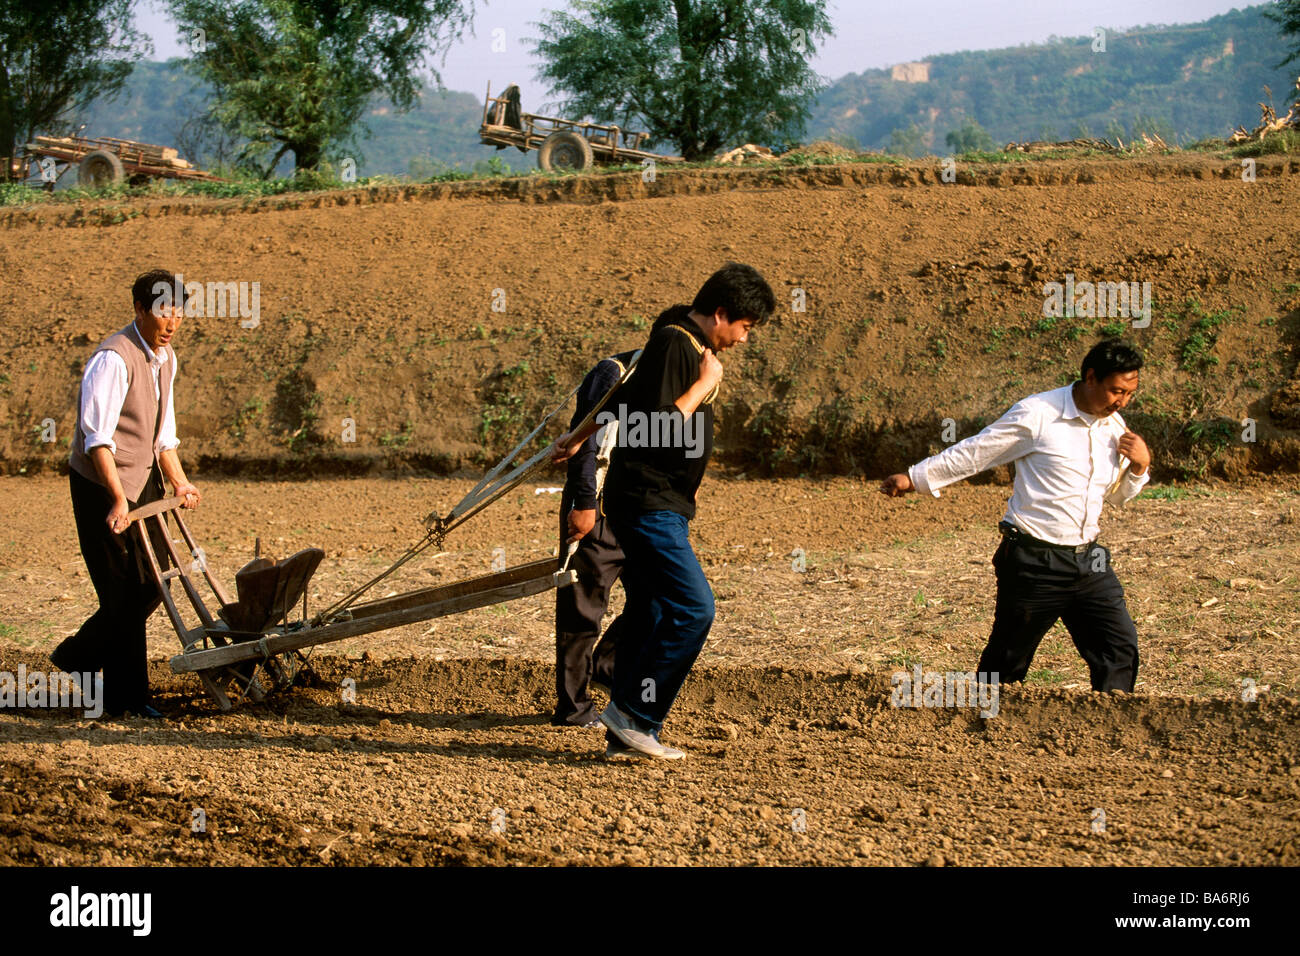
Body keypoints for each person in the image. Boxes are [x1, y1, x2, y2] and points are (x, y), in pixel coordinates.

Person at [552, 263, 776, 760]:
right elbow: (656, 428)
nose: (742, 339)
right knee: (694, 608)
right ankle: (635, 716)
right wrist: (703, 385)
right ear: (721, 314)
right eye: (744, 327)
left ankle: (624, 734)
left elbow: (620, 403)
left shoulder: (673, 341)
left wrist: (578, 437)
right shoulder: (680, 346)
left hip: (654, 504)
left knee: (653, 610)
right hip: (651, 505)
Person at [880, 340, 1152, 693]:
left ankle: (1111, 728)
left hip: (1089, 562)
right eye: (1117, 391)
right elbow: (978, 452)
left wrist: (1140, 467)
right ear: (1090, 377)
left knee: (1118, 649)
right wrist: (914, 478)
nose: (1122, 401)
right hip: (1034, 561)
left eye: (1130, 394)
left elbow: (1115, 497)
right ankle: (980, 724)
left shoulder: (1114, 427)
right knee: (1008, 660)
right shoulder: (1038, 413)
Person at [52, 269, 202, 718]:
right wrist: (118, 498)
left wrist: (179, 480)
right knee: (120, 593)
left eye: (177, 311)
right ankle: (127, 699)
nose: (171, 321)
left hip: (143, 480)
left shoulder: (166, 358)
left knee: (152, 585)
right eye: (161, 311)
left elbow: (163, 436)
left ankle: (78, 657)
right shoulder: (113, 359)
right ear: (139, 310)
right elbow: (97, 439)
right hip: (102, 485)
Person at [552, 348, 638, 728]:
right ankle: (574, 709)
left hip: (641, 509)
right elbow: (585, 441)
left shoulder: (684, 377)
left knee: (659, 595)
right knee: (582, 608)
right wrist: (585, 503)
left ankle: (606, 666)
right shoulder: (613, 373)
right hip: (598, 508)